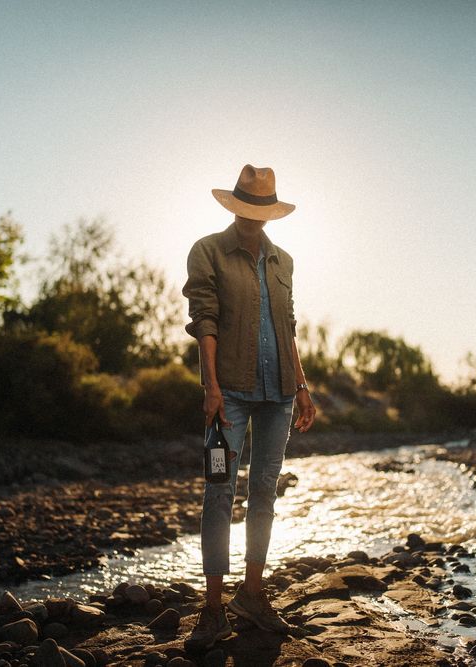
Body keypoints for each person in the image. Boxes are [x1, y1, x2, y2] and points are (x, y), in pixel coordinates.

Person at [181, 164, 317, 650]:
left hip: (279, 394)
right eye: (248, 210)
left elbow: (289, 325)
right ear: (235, 207)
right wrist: (211, 387)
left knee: (264, 491)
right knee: (218, 490)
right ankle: (213, 608)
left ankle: (252, 594)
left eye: (262, 212)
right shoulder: (208, 251)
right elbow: (205, 321)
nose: (254, 220)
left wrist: (302, 384)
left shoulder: (284, 261)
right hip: (229, 397)